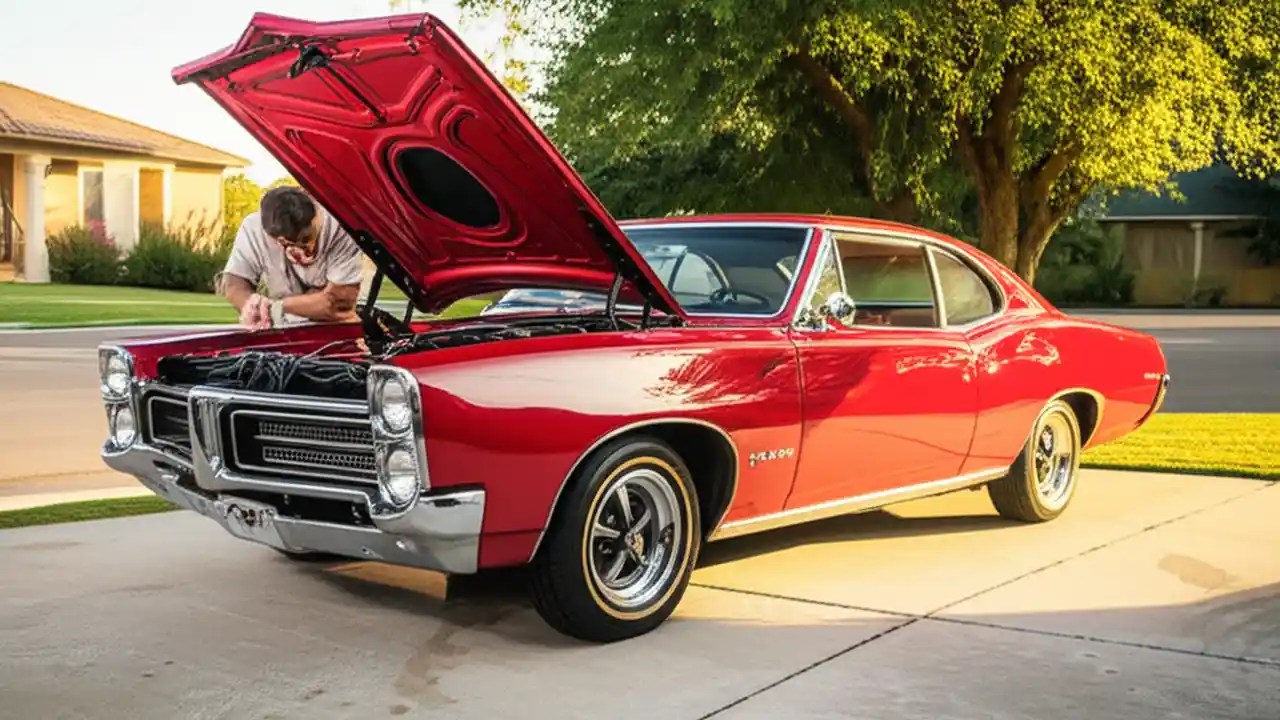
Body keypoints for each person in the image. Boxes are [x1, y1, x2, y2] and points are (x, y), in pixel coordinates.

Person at [218, 186, 364, 330]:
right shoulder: (253, 228)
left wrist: (277, 306)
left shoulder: (340, 227)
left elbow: (339, 304)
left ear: (317, 213)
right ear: (279, 240)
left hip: (334, 329)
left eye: (308, 238)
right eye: (294, 244)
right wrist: (251, 305)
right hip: (283, 329)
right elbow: (233, 282)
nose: (308, 250)